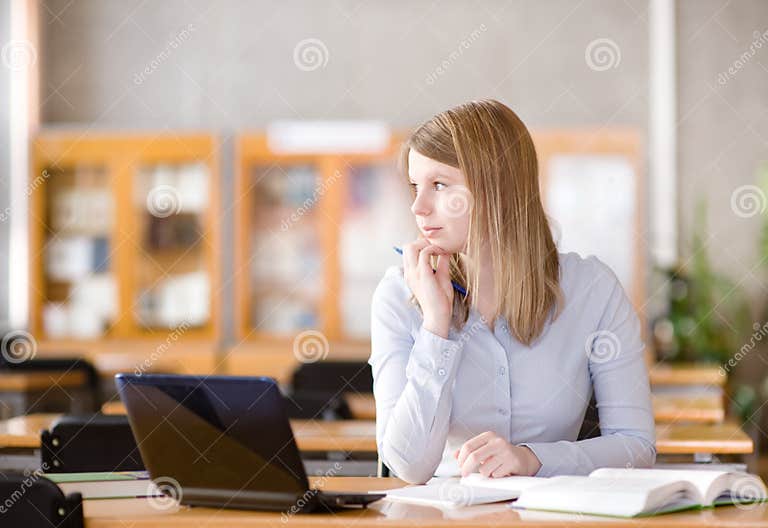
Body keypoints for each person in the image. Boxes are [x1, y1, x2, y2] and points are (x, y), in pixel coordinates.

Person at [368, 99, 655, 484]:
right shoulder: (397, 296)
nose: (418, 207)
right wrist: (435, 327)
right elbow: (408, 466)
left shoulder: (592, 290)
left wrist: (532, 459)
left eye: (439, 185)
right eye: (415, 186)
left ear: (496, 188)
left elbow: (635, 446)